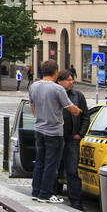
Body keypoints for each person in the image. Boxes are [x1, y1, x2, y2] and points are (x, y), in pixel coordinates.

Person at [28, 59, 81, 203]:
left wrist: (39, 117)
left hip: (39, 129)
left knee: (39, 161)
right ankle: (45, 194)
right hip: (54, 132)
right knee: (51, 164)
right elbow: (69, 107)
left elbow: (31, 106)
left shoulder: (34, 86)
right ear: (56, 72)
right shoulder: (57, 89)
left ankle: (36, 191)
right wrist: (77, 111)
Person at [56, 69, 89, 210]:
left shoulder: (77, 96)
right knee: (54, 168)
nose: (71, 82)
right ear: (60, 81)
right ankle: (52, 193)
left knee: (72, 170)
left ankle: (75, 202)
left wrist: (80, 134)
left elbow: (85, 116)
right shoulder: (55, 93)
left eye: (72, 80)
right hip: (57, 137)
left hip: (72, 139)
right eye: (68, 80)